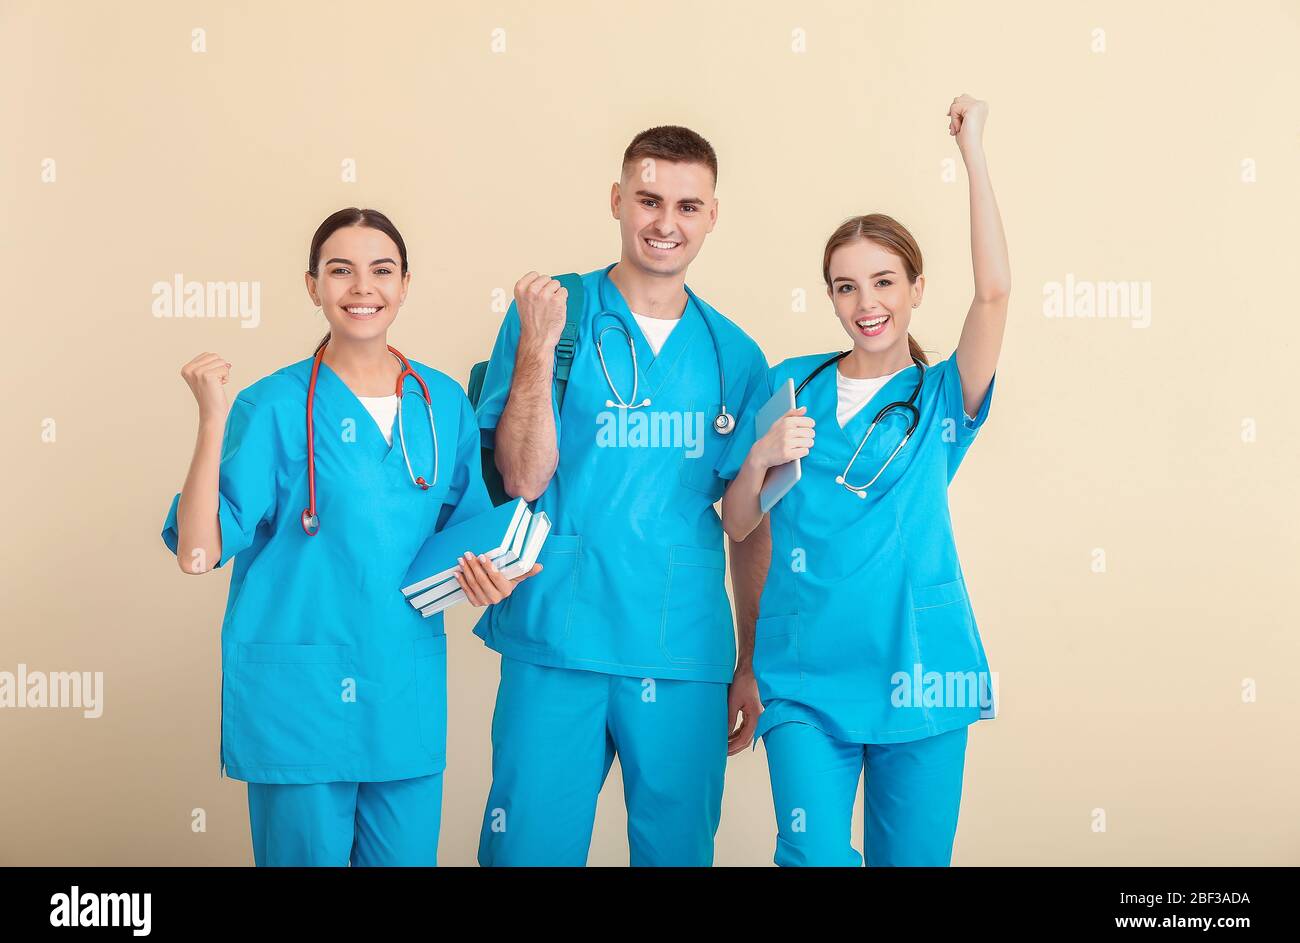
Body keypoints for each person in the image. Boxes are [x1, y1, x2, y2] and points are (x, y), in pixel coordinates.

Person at [161, 207, 538, 866]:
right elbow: (200, 552)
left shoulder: (442, 401)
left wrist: (496, 574)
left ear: (405, 284)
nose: (362, 287)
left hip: (402, 697)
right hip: (300, 700)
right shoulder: (272, 406)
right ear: (313, 286)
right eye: (341, 271)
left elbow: (467, 543)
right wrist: (213, 419)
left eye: (381, 270)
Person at [719, 95, 1010, 866]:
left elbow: (994, 294)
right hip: (806, 675)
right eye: (846, 287)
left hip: (922, 668)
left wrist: (972, 152)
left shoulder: (943, 398)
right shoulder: (790, 385)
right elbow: (740, 523)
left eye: (884, 283)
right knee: (811, 857)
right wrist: (759, 457)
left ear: (916, 288)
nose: (866, 304)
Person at [473, 126, 771, 866]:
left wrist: (750, 661)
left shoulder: (734, 354)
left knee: (676, 855)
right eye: (647, 199)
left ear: (711, 216)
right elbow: (522, 479)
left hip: (680, 650)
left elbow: (750, 522)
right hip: (556, 637)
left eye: (687, 205)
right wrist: (538, 345)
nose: (665, 222)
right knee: (525, 853)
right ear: (616, 201)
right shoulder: (552, 315)